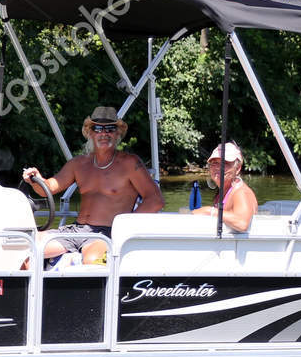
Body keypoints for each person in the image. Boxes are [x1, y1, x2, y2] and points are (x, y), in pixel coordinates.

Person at [22, 105, 164, 263]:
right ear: (90, 132)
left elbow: (155, 200)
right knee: (24, 249)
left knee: (91, 261)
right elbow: (48, 188)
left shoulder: (130, 163)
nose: (104, 133)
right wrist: (35, 179)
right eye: (98, 128)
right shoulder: (78, 163)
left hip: (107, 234)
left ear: (118, 133)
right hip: (75, 231)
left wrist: (124, 228)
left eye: (110, 128)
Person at [190, 141, 258, 232]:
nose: (218, 167)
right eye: (214, 163)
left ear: (237, 168)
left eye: (224, 163)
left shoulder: (241, 193)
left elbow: (242, 223)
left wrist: (209, 211)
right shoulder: (223, 191)